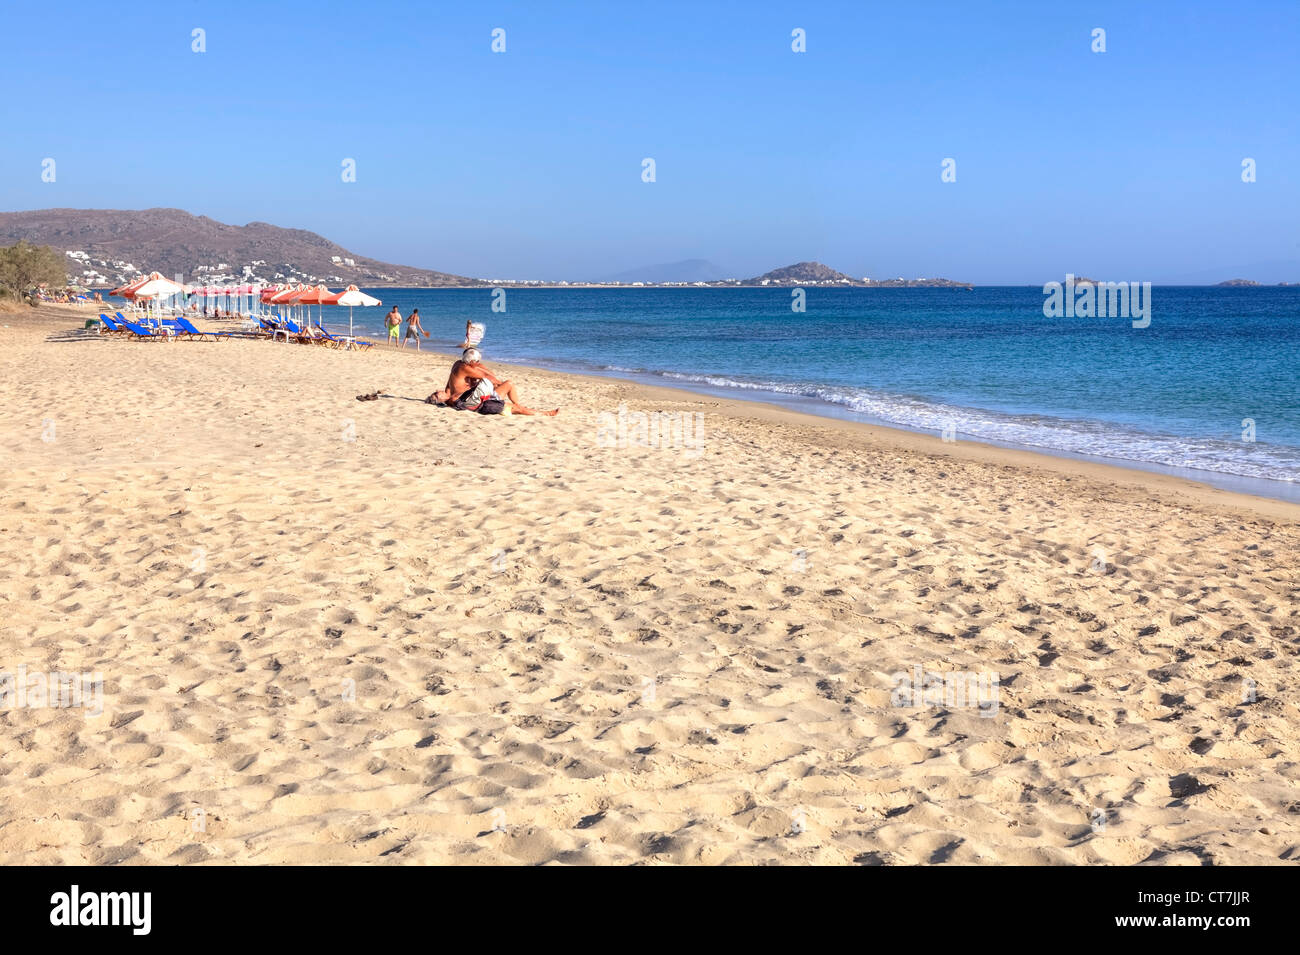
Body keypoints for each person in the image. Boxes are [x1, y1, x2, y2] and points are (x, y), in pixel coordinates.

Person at [429, 348, 558, 415]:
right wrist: (498, 383)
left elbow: (484, 371)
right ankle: (541, 412)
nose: (479, 363)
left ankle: (521, 406)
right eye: (477, 361)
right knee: (509, 387)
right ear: (471, 362)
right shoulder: (464, 368)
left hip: (473, 397)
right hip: (472, 401)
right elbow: (486, 375)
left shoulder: (459, 364)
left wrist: (480, 366)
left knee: (505, 388)